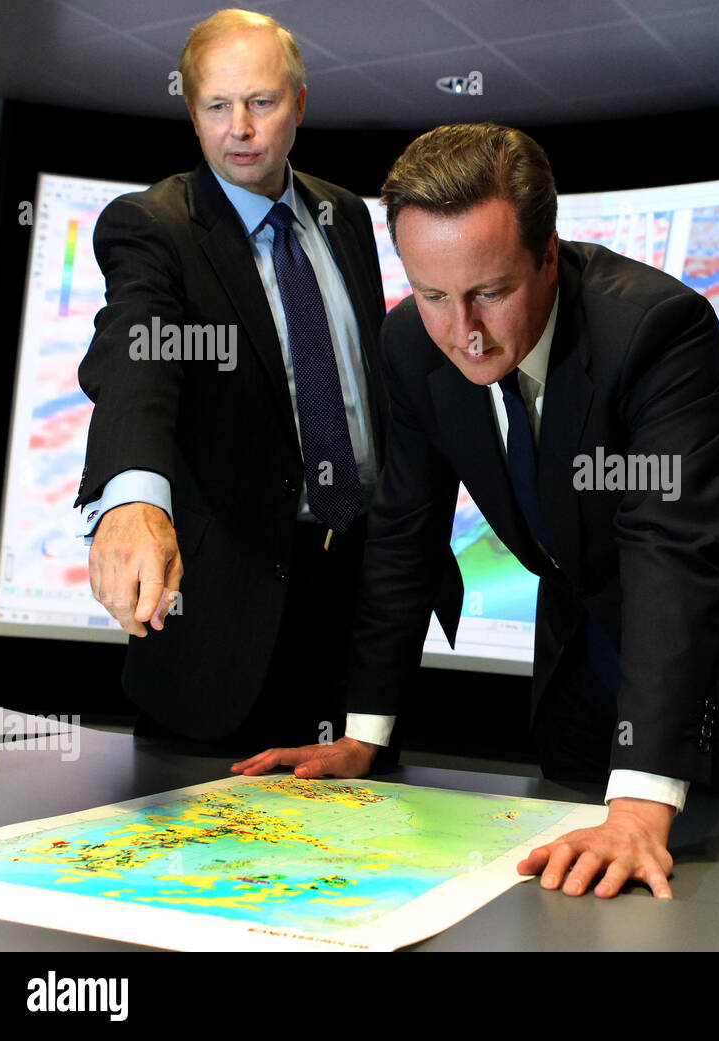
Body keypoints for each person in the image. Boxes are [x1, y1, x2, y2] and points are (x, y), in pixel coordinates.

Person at [232, 122, 719, 899]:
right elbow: (403, 531)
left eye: (491, 293)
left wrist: (639, 808)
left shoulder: (657, 330)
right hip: (588, 629)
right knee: (576, 860)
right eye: (434, 295)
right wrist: (363, 736)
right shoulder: (411, 341)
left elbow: (672, 555)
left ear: (549, 256)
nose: (463, 331)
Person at [75, 9, 459, 751]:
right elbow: (134, 357)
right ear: (192, 113)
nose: (240, 129)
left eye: (261, 101)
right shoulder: (155, 227)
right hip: (226, 617)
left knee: (369, 814)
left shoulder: (344, 215)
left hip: (362, 596)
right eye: (216, 106)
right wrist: (130, 499)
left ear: (300, 103)